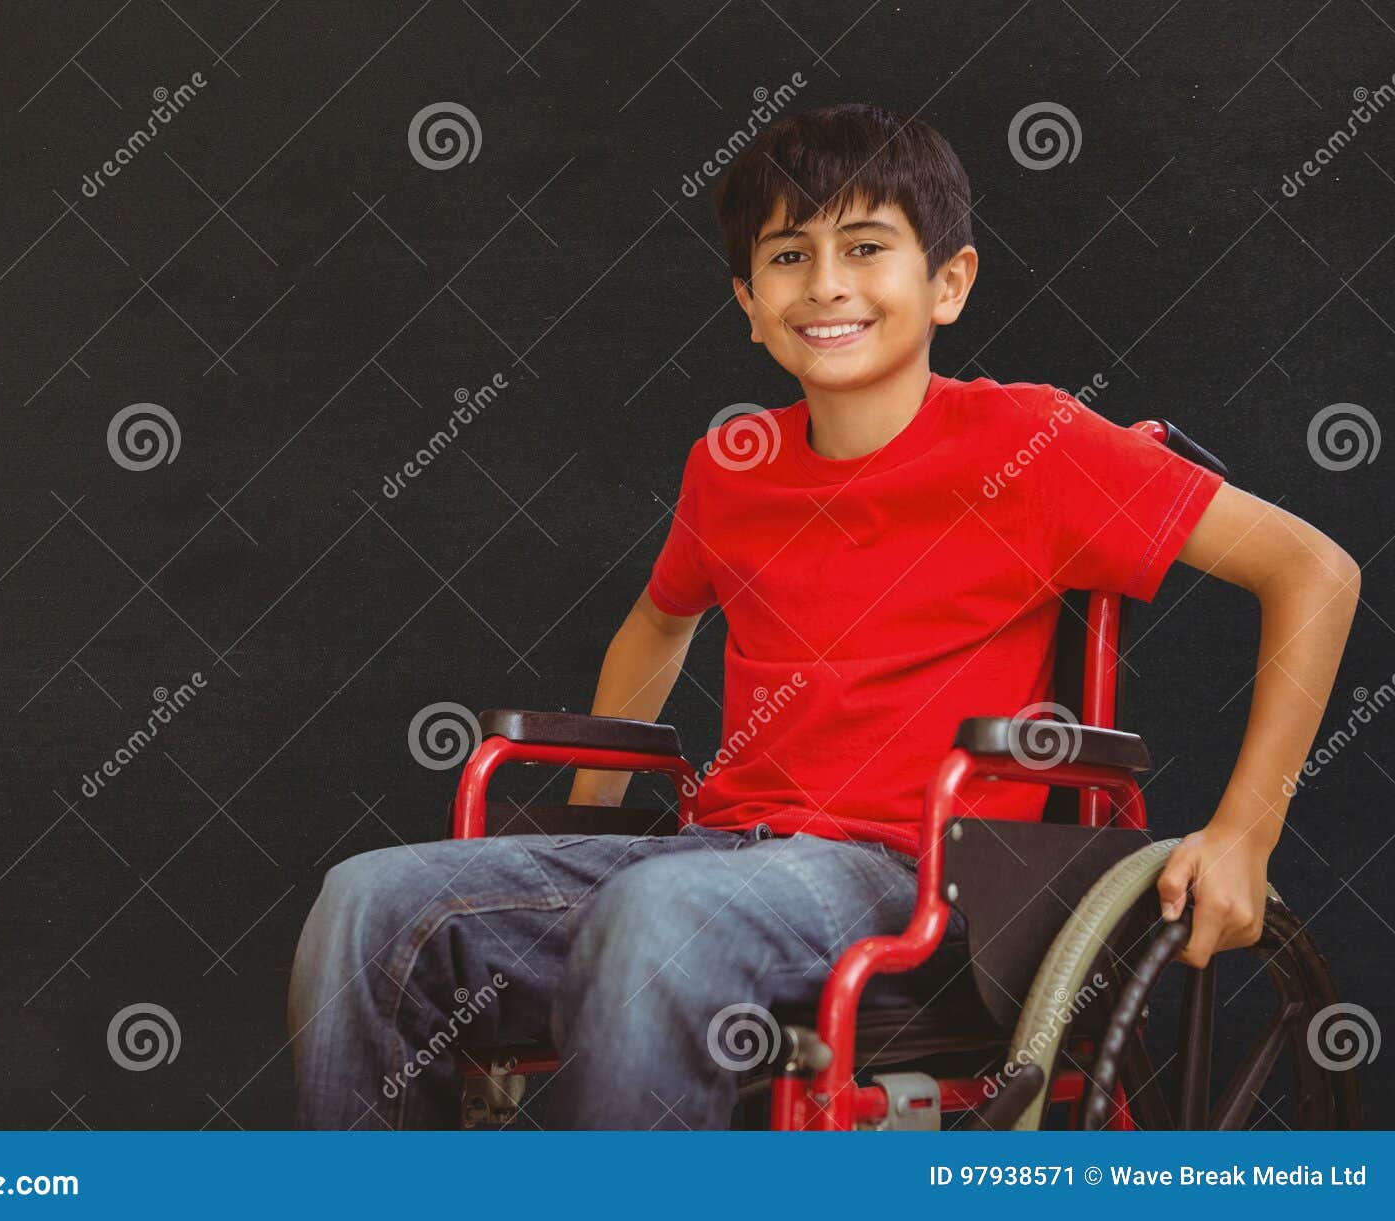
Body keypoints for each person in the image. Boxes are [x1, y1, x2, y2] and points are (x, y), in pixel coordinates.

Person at [286, 103, 1360, 1130]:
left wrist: (1243, 834)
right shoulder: (731, 467)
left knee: (658, 920)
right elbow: (654, 628)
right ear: (748, 305)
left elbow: (1314, 571)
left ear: (948, 283)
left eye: (863, 246)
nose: (824, 283)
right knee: (370, 908)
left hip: (914, 873)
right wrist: (589, 825)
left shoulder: (1030, 444)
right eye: (787, 255)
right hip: (720, 852)